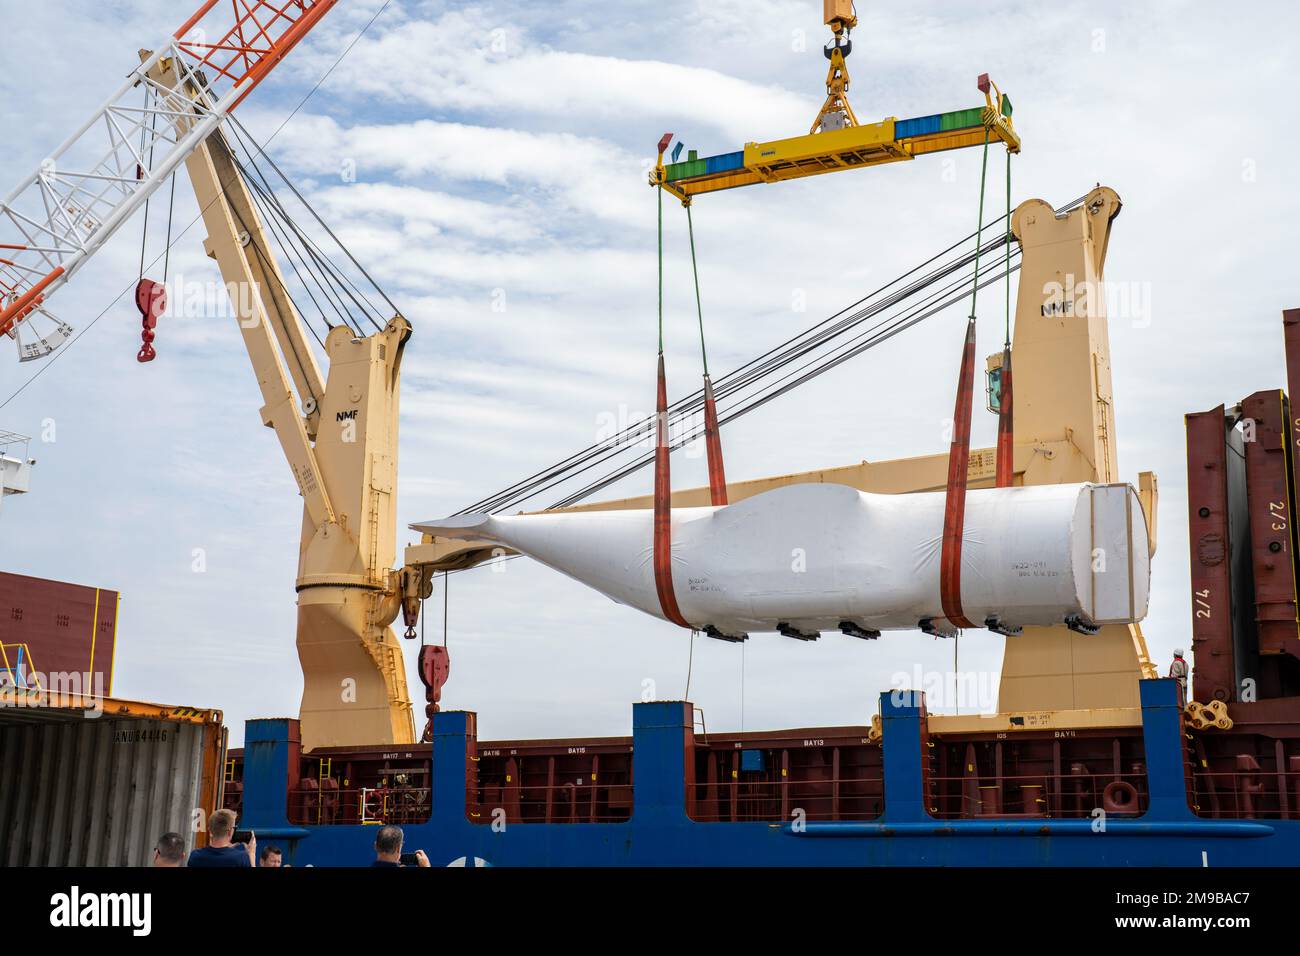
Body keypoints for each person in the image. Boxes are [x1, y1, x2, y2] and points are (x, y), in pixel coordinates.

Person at [187, 809, 255, 868]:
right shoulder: (241, 858)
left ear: (210, 830)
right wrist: (251, 853)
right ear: (230, 831)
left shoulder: (195, 856)